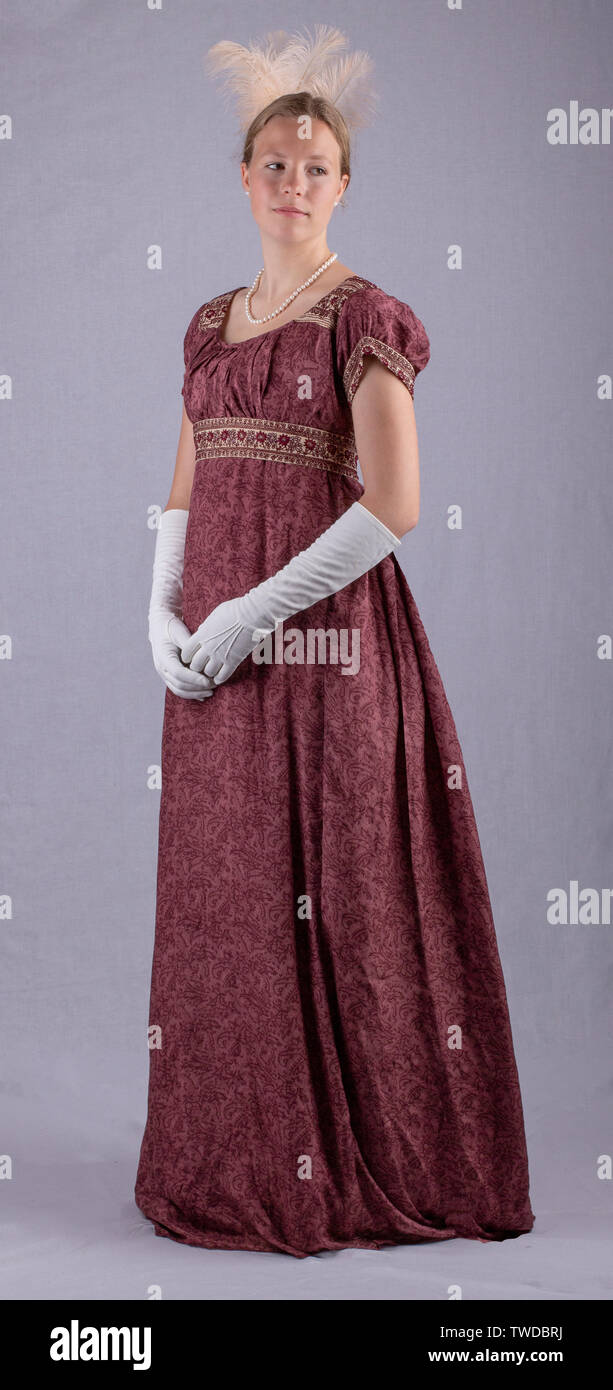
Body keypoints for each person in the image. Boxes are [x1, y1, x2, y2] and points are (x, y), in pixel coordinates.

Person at [134, 26, 534, 1257]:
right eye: (273, 163)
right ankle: (239, 1150)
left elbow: (397, 504)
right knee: (228, 898)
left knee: (347, 898)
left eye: (315, 166)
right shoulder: (207, 329)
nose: (293, 183)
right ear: (243, 180)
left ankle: (374, 1153)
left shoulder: (365, 316)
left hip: (332, 657)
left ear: (343, 186)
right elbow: (186, 485)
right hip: (212, 664)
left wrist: (260, 610)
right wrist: (161, 610)